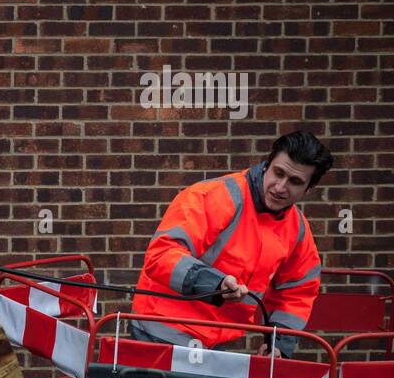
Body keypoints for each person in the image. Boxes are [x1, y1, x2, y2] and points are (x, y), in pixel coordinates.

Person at [130, 129, 333, 359]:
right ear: (267, 164)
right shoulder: (213, 197)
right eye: (278, 173)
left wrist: (278, 343)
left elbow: (297, 292)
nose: (280, 187)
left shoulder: (297, 230)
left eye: (294, 181)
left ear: (309, 188)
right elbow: (162, 254)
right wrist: (215, 284)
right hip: (162, 331)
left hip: (215, 345)